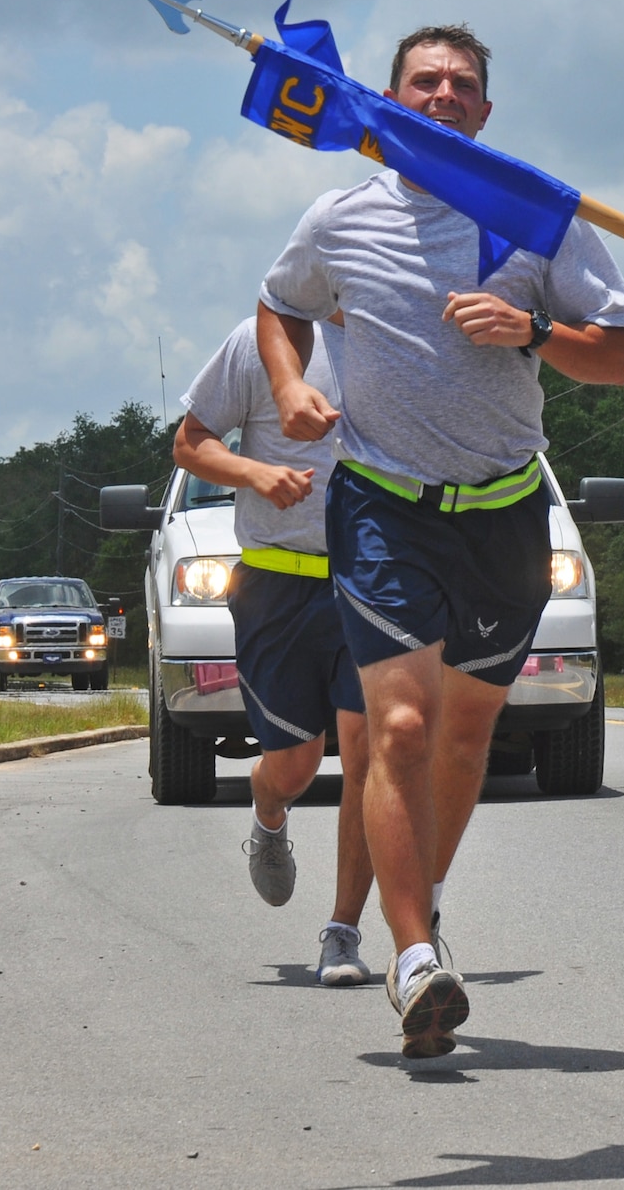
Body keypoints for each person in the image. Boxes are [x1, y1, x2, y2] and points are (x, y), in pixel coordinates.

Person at [255, 24, 624, 1057]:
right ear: (388, 99)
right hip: (383, 503)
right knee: (402, 731)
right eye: (425, 80)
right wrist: (291, 387)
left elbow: (617, 358)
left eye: (463, 84)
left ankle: (423, 907)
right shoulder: (341, 218)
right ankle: (415, 953)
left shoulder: (534, 213)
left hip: (505, 508)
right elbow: (279, 307)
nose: (444, 95)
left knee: (467, 738)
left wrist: (537, 334)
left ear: (484, 110)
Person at [173, 314, 377, 986]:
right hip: (278, 585)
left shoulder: (400, 338)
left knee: (370, 754)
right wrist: (257, 473)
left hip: (372, 579)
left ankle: (343, 931)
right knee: (293, 763)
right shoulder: (262, 344)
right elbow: (190, 443)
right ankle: (268, 813)